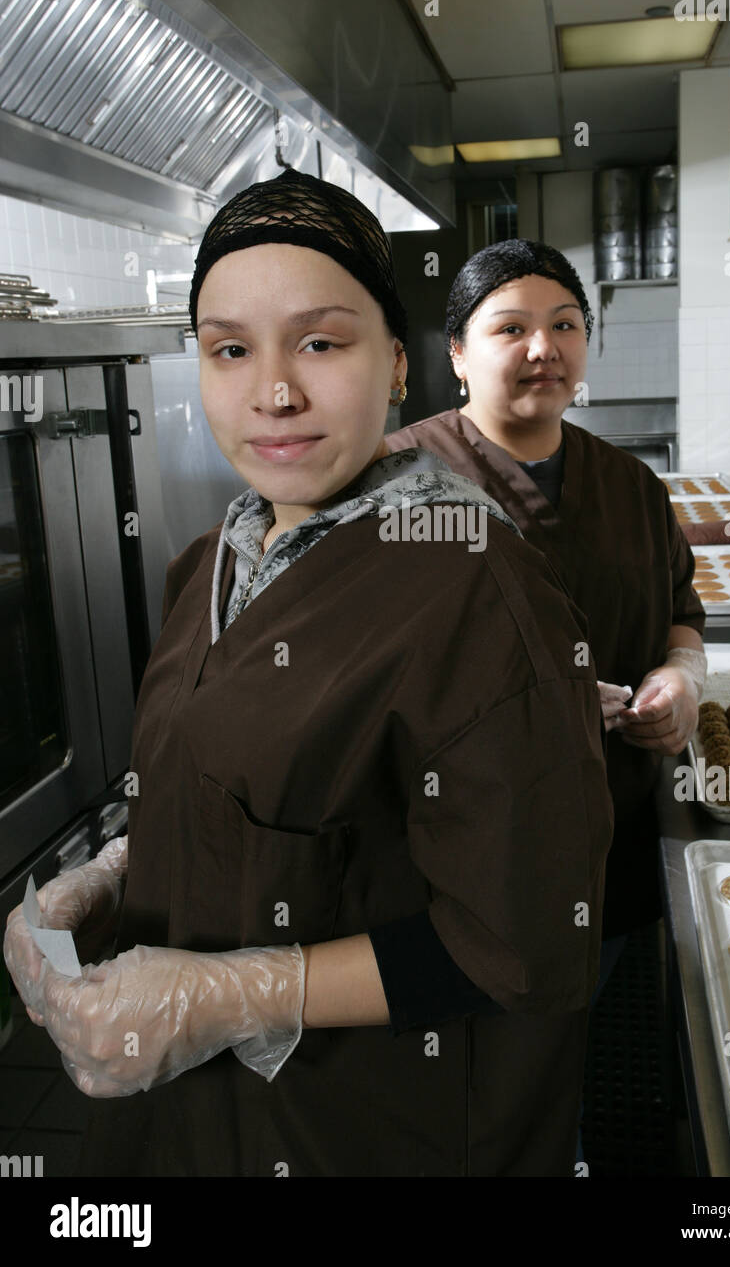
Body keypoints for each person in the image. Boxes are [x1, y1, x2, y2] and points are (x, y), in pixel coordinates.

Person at [3, 173, 613, 1177]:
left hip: (360, 1131)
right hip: (191, 1126)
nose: (272, 391)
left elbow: (530, 935)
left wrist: (232, 996)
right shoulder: (206, 566)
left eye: (320, 342)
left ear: (400, 364)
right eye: (229, 349)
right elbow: (232, 799)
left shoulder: (475, 588)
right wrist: (114, 874)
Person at [386, 239, 707, 979]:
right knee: (485, 1057)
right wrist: (520, 709)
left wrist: (682, 676)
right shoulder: (394, 487)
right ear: (459, 354)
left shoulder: (632, 486)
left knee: (593, 1028)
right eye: (511, 329)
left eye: (565, 325)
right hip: (465, 850)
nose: (544, 348)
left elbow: (679, 609)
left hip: (612, 838)